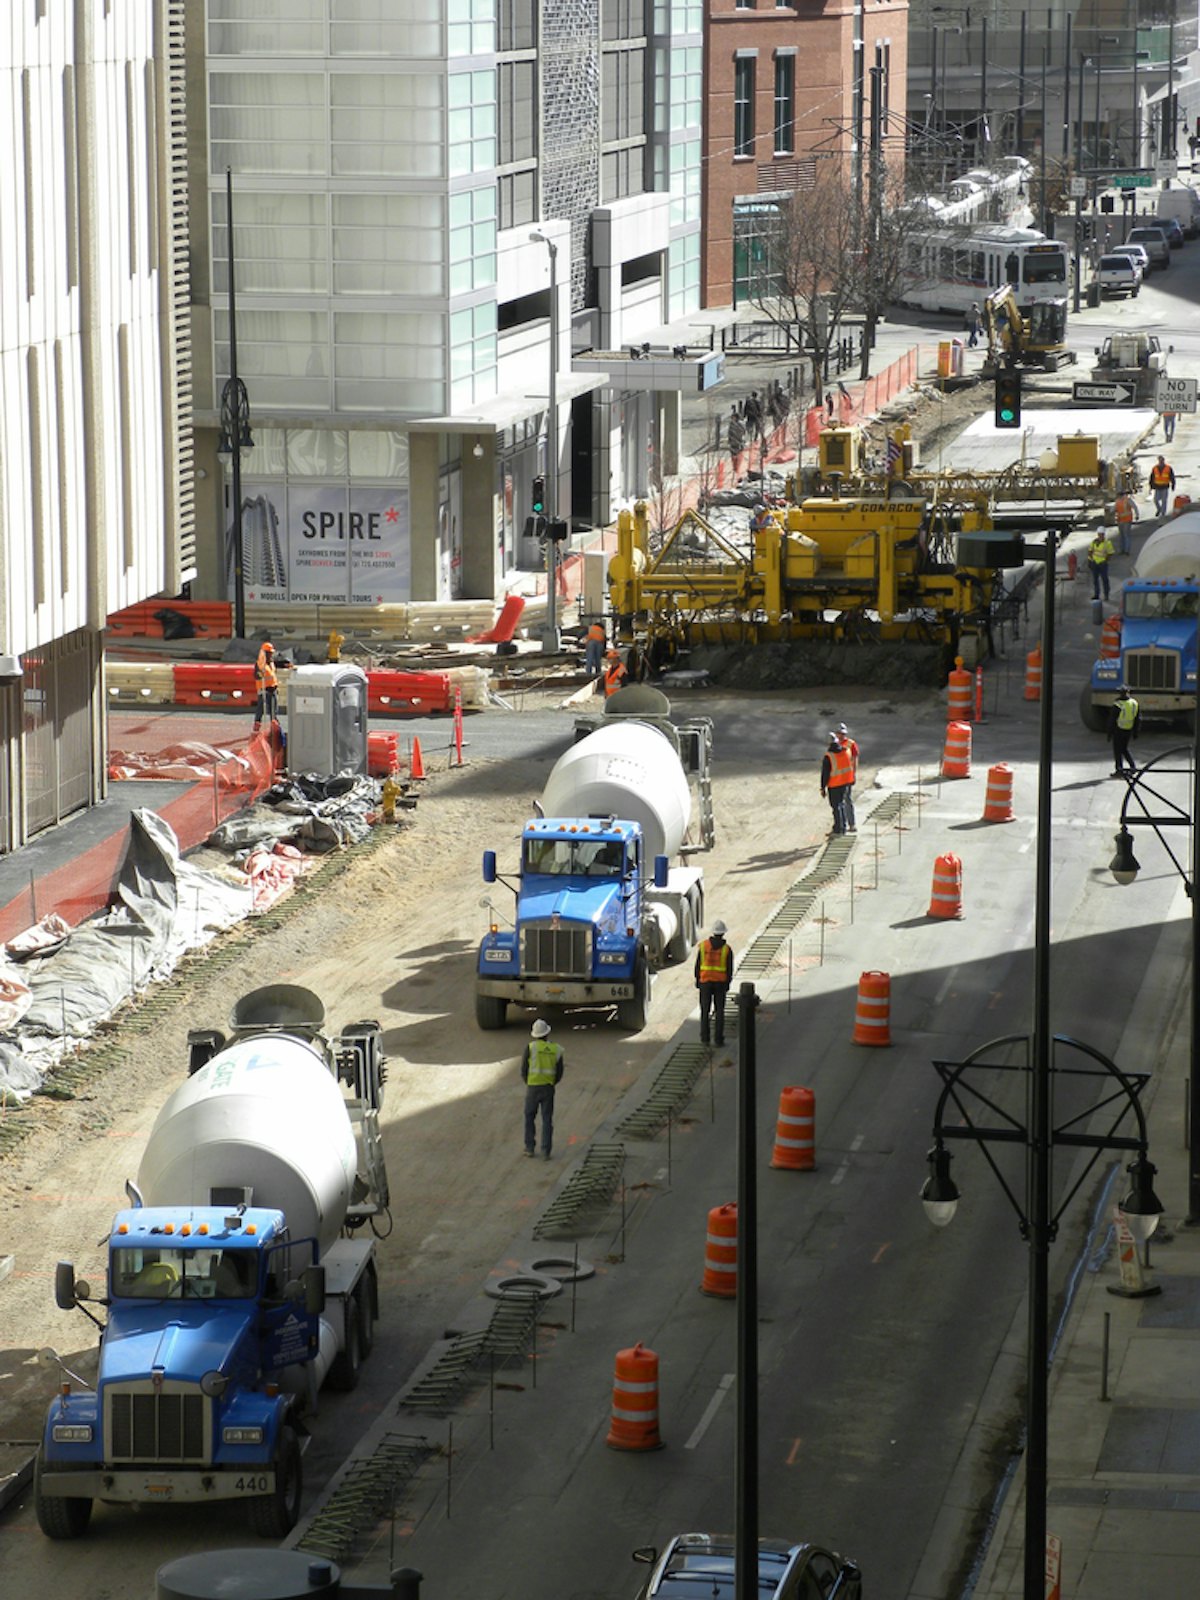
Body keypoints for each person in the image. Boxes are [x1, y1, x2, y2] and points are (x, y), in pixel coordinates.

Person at [521, 1019, 563, 1159]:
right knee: (546, 1119)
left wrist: (529, 1081)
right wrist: (551, 1082)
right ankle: (546, 1151)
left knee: (529, 1117)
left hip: (533, 1087)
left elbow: (524, 1070)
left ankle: (529, 1148)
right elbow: (559, 1072)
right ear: (547, 1034)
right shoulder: (556, 1049)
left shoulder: (531, 1047)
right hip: (548, 1088)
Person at [694, 920, 734, 1047]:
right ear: (723, 934)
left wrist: (698, 980)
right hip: (720, 984)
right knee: (719, 1011)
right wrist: (727, 983)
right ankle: (718, 1040)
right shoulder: (727, 950)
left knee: (705, 1011)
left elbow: (697, 965)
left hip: (705, 982)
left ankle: (705, 1039)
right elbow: (729, 969)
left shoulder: (703, 946)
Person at [820, 731, 855, 836]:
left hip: (834, 784)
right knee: (842, 804)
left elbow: (825, 774)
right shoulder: (846, 751)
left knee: (836, 807)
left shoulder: (829, 756)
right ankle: (842, 827)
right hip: (845, 783)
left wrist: (822, 788)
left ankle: (838, 830)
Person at [1109, 686, 1140, 777]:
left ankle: (1119, 769)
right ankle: (1132, 766)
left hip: (1119, 729)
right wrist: (1135, 732)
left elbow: (1112, 719)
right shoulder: (1134, 703)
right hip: (1128, 729)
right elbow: (1138, 719)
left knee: (1118, 751)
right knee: (1124, 749)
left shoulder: (1118, 704)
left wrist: (1109, 733)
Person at [836, 722, 859, 832]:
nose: (841, 735)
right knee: (839, 802)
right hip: (837, 777)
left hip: (847, 777)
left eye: (843, 733)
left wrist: (854, 774)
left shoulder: (851, 744)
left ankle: (852, 824)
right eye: (839, 733)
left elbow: (855, 760)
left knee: (847, 799)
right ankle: (841, 825)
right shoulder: (834, 744)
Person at [253, 639, 279, 731]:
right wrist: (261, 674)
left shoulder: (271, 663)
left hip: (273, 689)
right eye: (269, 653)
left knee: (274, 709)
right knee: (260, 709)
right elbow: (256, 675)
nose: (271, 655)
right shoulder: (260, 664)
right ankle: (257, 725)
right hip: (264, 690)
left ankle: (274, 725)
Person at [1086, 532, 1115, 601]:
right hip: (1095, 563)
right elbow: (1090, 552)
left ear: (1103, 535)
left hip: (1102, 563)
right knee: (1095, 580)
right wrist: (1090, 561)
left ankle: (1106, 595)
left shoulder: (1107, 543)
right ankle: (1096, 595)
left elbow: (1110, 553)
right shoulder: (1093, 542)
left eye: (1102, 535)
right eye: (1099, 534)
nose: (1100, 536)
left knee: (1105, 579)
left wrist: (1106, 560)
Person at [1114, 489, 1139, 556]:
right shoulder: (1122, 501)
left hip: (1125, 521)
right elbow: (1114, 509)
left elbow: (1135, 507)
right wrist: (1137, 515)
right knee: (1123, 536)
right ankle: (1124, 550)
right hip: (1122, 521)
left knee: (1124, 536)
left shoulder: (1125, 500)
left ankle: (1125, 550)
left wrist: (1137, 515)